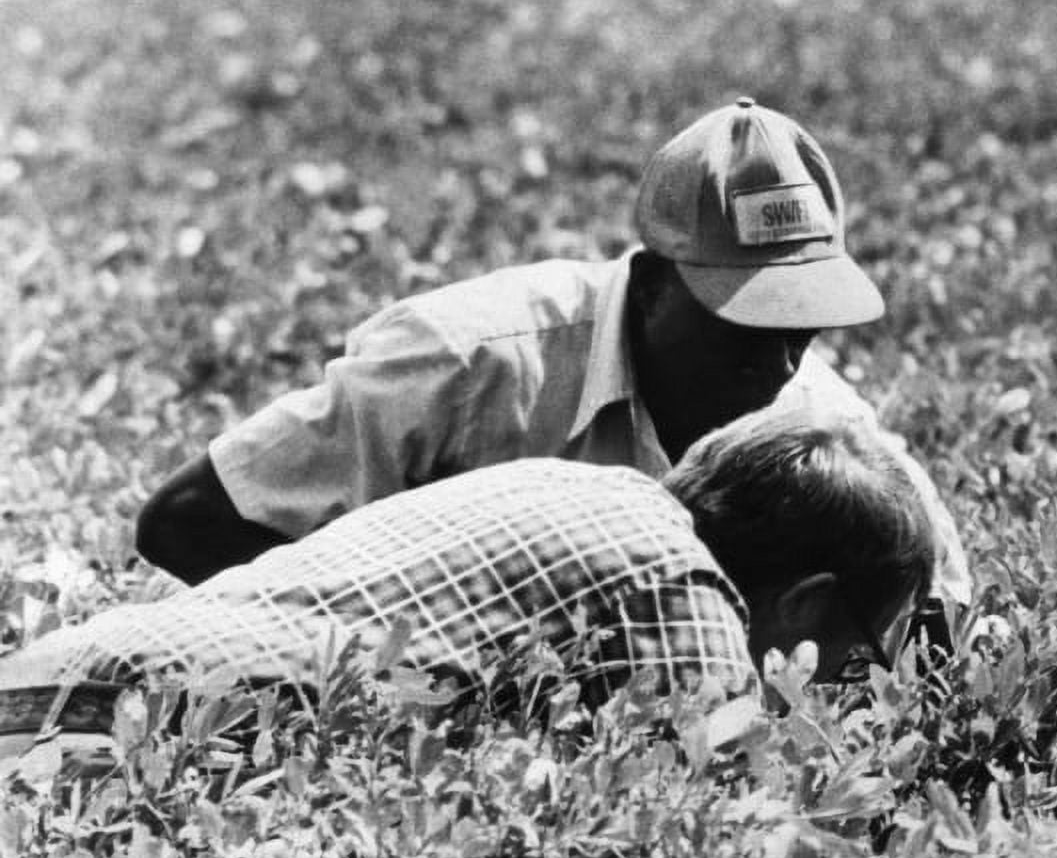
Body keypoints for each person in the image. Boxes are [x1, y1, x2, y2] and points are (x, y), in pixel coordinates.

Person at [133, 96, 971, 612]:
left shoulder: (819, 420)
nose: (779, 363)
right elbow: (181, 522)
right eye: (739, 326)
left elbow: (944, 608)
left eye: (802, 327)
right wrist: (389, 638)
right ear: (649, 284)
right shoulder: (466, 360)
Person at [0, 408, 935, 759]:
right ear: (809, 603)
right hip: (110, 744)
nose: (841, 679)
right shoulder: (684, 585)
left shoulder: (577, 484)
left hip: (55, 682)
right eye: (859, 652)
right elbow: (710, 811)